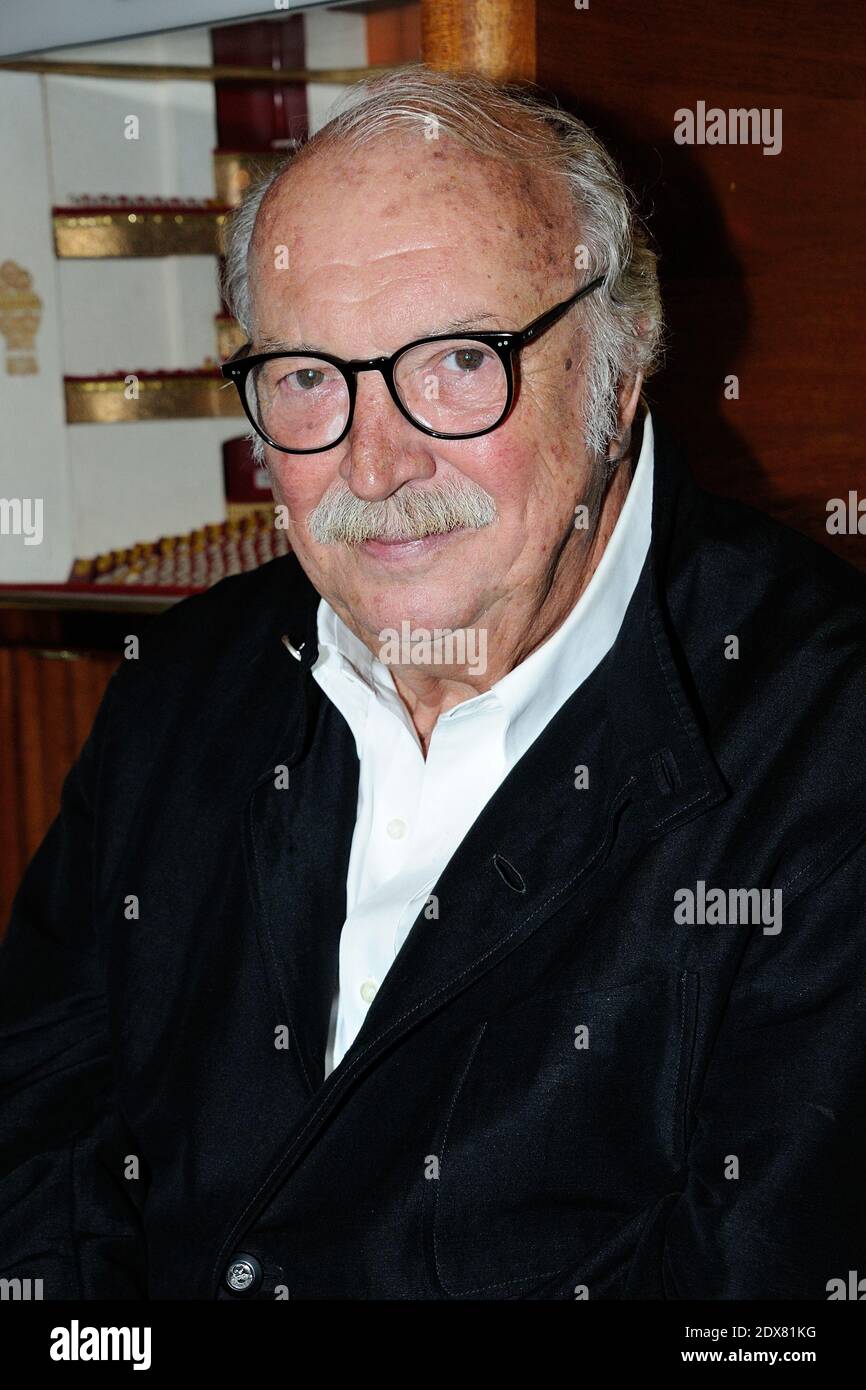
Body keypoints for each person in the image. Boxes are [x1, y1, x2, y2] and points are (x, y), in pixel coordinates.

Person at [1, 66, 864, 1301]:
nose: (377, 462)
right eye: (307, 375)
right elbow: (38, 1131)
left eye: (458, 360)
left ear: (619, 377)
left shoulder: (824, 745)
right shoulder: (180, 685)